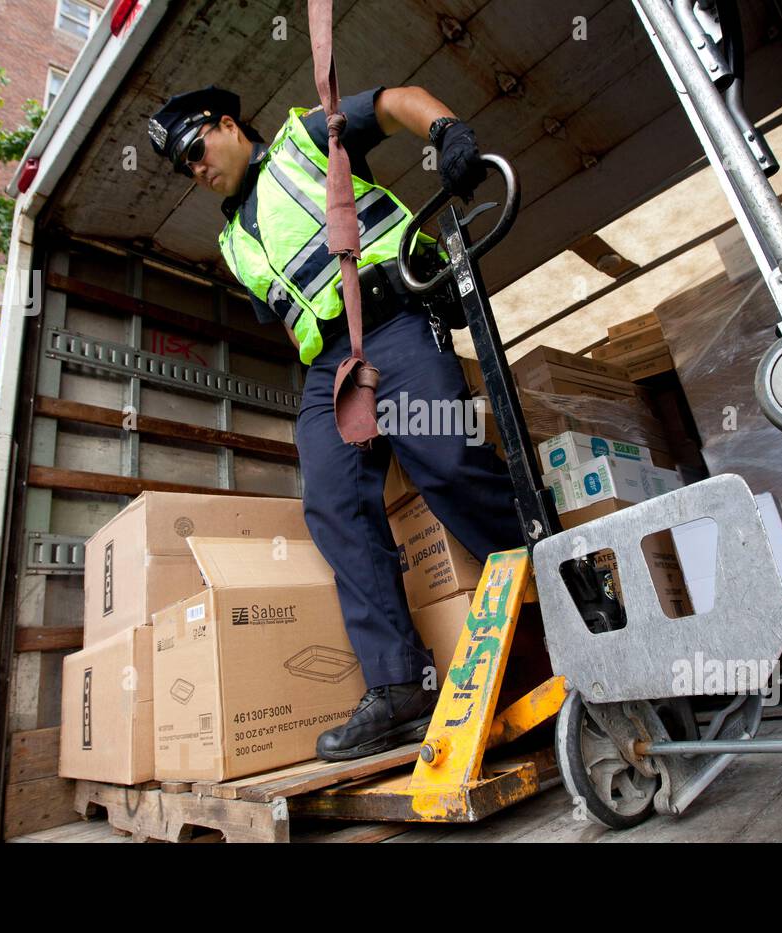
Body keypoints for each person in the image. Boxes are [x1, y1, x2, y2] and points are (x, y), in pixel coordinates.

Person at [148, 84, 523, 760]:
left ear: (227, 124)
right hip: (331, 367)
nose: (195, 170)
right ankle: (398, 685)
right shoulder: (231, 242)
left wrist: (446, 130)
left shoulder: (304, 139)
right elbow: (290, 311)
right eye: (185, 168)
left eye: (195, 151)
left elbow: (392, 100)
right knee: (332, 503)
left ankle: (563, 586)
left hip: (395, 321)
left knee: (446, 461)